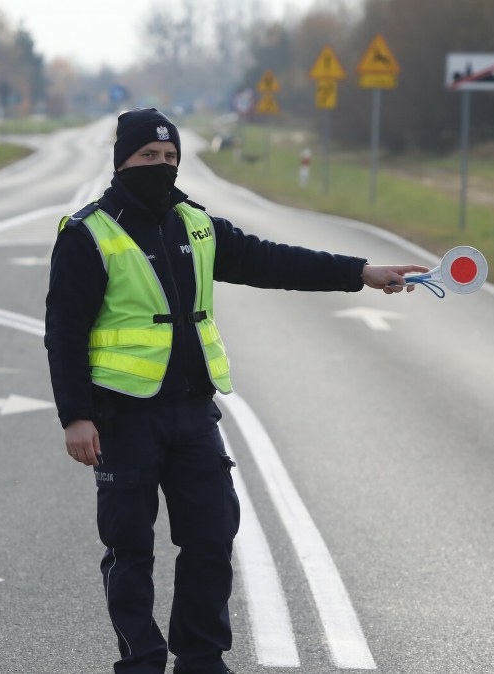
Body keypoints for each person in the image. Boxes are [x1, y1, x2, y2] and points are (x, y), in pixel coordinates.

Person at [44, 107, 428, 674]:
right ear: (123, 160)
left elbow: (269, 260)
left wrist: (359, 271)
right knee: (130, 549)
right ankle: (141, 659)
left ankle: (200, 658)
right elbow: (64, 331)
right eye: (148, 157)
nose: (161, 165)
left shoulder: (195, 225)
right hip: (123, 417)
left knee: (213, 535)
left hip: (193, 413)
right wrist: (76, 417)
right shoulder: (89, 233)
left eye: (170, 156)